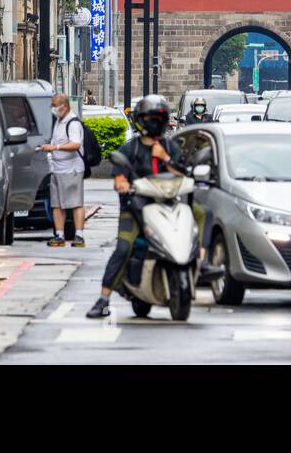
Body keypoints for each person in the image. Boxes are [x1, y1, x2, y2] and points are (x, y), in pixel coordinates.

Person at [86, 95, 218, 319]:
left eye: (158, 118)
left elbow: (183, 172)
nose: (154, 123)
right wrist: (123, 185)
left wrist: (165, 157)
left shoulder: (170, 146)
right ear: (140, 120)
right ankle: (103, 298)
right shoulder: (130, 150)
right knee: (123, 248)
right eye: (149, 118)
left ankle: (203, 260)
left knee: (202, 213)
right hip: (136, 207)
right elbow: (119, 177)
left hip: (170, 203)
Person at [40, 92, 86, 249]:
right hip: (57, 168)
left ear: (64, 107)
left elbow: (76, 144)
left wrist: (55, 147)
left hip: (71, 168)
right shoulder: (59, 121)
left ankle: (79, 235)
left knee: (75, 202)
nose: (52, 108)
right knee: (57, 204)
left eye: (54, 105)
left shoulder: (72, 123)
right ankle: (59, 235)